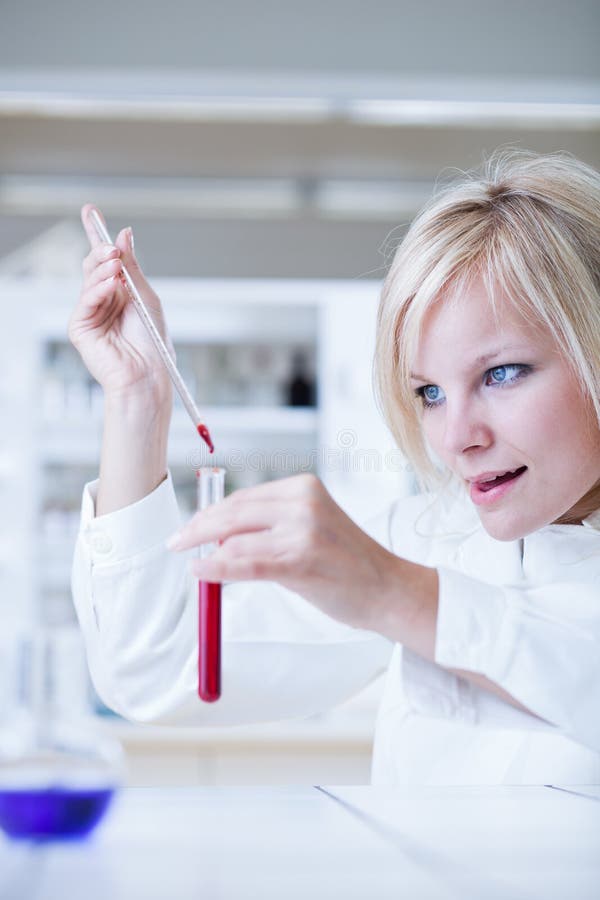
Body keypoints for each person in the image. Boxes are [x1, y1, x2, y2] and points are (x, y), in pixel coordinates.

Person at [70, 149, 600, 785]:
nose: (456, 438)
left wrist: (393, 591)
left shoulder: (403, 570)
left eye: (502, 373)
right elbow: (154, 668)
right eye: (428, 392)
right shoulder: (430, 541)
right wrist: (139, 400)